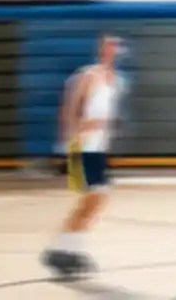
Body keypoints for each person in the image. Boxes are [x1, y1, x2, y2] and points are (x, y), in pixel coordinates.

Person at [40, 35, 126, 278]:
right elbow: (69, 108)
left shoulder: (116, 80)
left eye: (116, 47)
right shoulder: (89, 75)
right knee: (93, 198)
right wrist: (68, 140)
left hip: (99, 147)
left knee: (96, 199)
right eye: (109, 46)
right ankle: (63, 249)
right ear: (101, 49)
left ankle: (66, 248)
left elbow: (106, 115)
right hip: (84, 146)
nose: (113, 50)